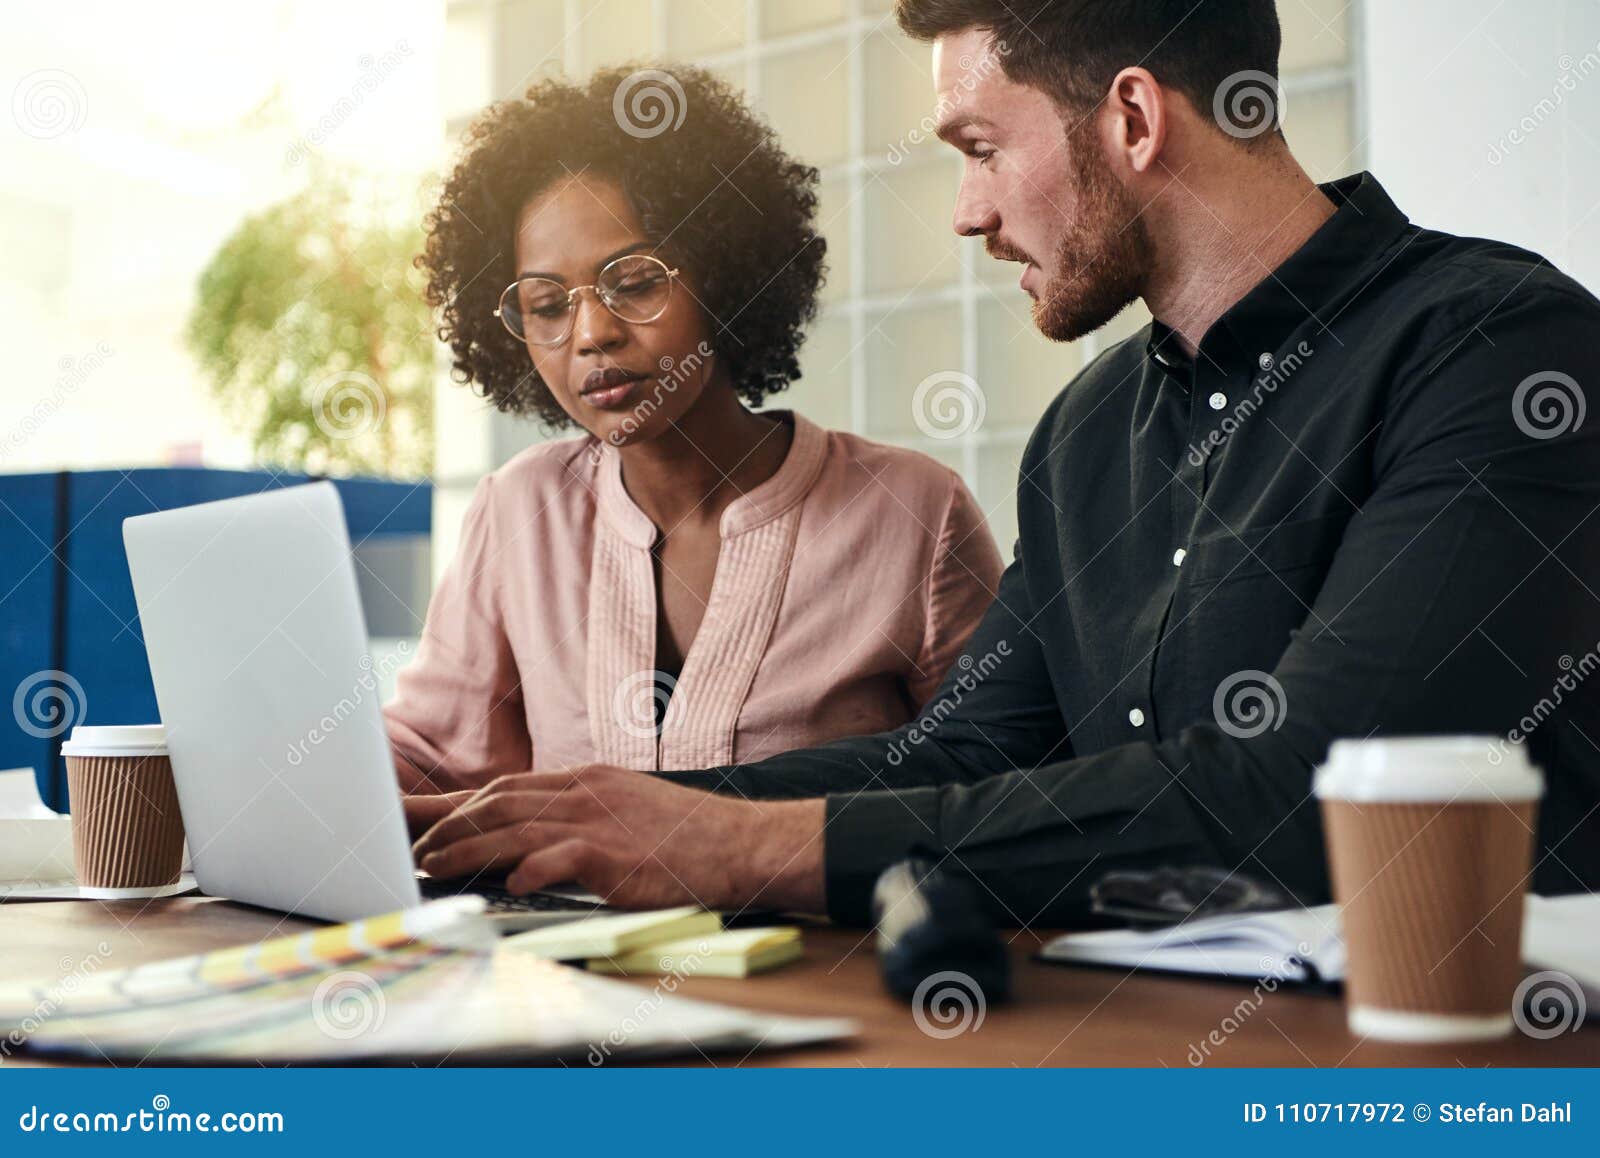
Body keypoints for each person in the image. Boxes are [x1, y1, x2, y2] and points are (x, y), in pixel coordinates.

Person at [408, 1, 1600, 926]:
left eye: (979, 148)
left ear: (1133, 118)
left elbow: (1309, 793)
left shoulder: (1497, 351)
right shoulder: (1087, 436)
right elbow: (967, 751)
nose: (966, 212)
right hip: (1137, 1048)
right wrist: (614, 818)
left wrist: (742, 846)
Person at [385, 65, 1001, 794]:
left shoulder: (912, 512)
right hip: (559, 915)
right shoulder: (518, 510)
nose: (592, 334)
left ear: (726, 273)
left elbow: (994, 785)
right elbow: (425, 761)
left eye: (636, 281)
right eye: (547, 305)